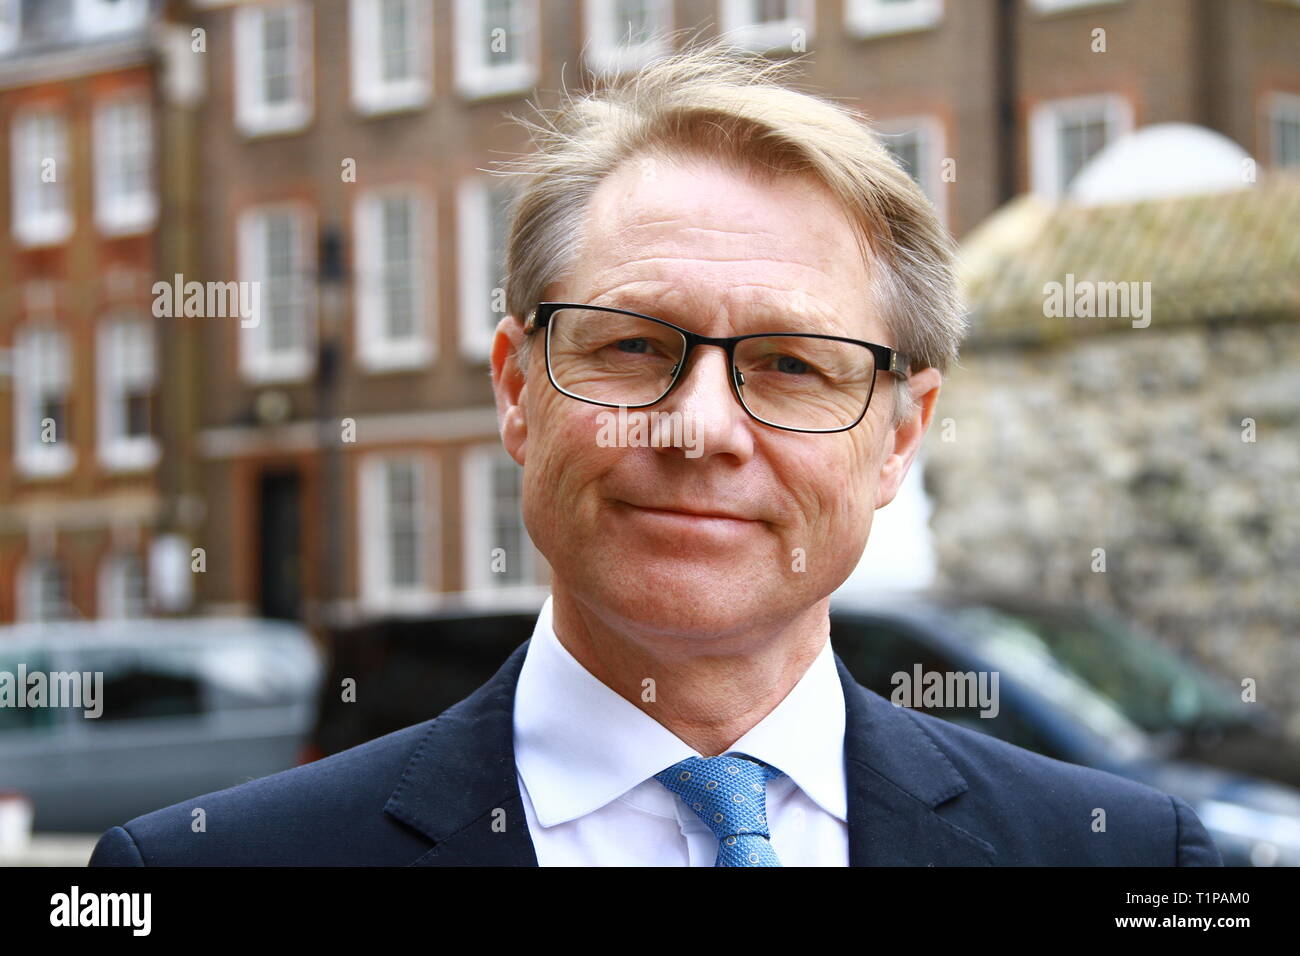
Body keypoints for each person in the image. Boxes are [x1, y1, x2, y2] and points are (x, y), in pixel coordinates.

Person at [90, 39, 1221, 867]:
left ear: (899, 437)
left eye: (790, 364)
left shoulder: (1131, 859)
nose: (700, 427)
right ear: (517, 388)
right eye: (634, 346)